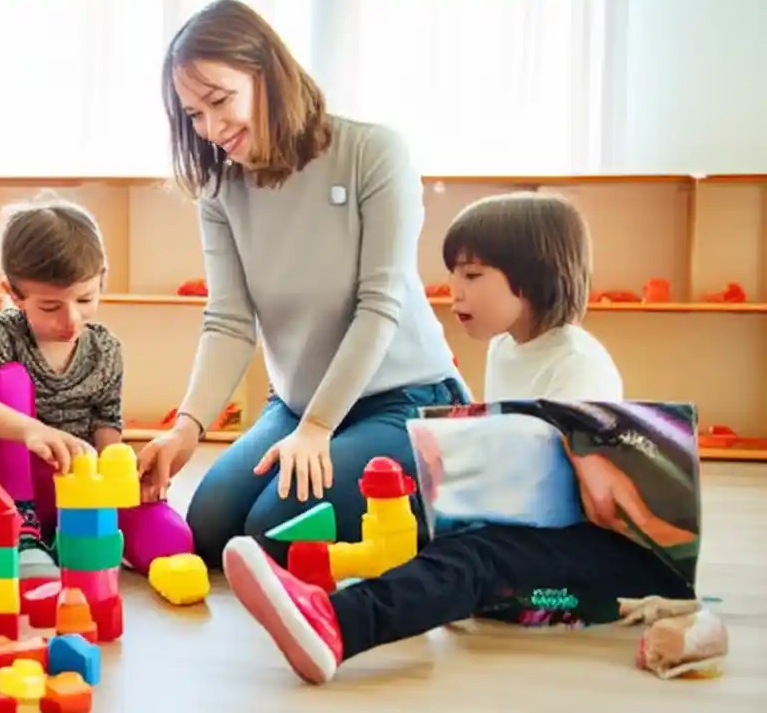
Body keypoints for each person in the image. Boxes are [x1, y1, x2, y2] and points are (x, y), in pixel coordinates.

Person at [221, 191, 697, 684]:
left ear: (532, 277)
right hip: (534, 531)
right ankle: (325, 581)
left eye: (472, 275)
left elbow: (581, 496)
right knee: (425, 527)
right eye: (453, 274)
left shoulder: (577, 363)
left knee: (474, 556)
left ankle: (339, 622)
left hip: (601, 561)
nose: (454, 291)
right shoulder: (507, 350)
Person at [141, 0, 468, 568]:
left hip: (403, 399)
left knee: (273, 532)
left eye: (219, 101)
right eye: (194, 115)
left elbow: (379, 304)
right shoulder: (221, 189)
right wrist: (188, 428)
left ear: (266, 71)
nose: (212, 129)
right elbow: (229, 320)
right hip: (295, 406)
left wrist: (319, 428)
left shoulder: (373, 152)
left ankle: (439, 506)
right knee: (211, 528)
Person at [0, 194, 194, 580]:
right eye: (50, 306)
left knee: (173, 541)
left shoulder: (104, 348)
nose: (71, 318)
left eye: (85, 298)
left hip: (81, 491)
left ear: (101, 278)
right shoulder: (3, 333)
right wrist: (32, 430)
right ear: (13, 294)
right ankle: (23, 527)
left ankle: (63, 538)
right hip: (16, 483)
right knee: (9, 380)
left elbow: (107, 429)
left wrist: (125, 477)